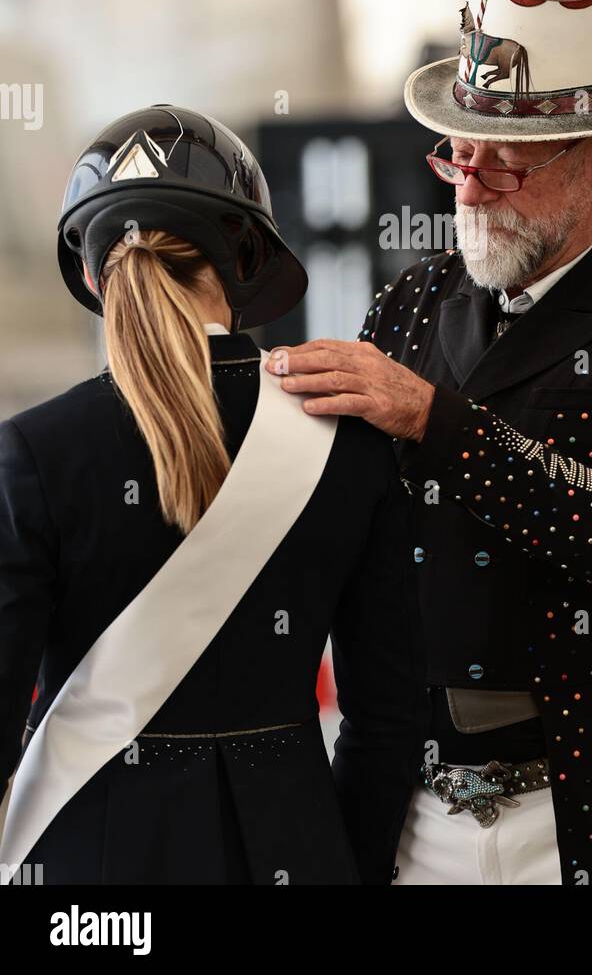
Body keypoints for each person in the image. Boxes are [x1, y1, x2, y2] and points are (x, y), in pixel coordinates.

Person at [267, 0, 592, 886]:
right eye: (456, 154)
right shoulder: (409, 303)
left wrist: (433, 421)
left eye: (509, 164)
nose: (472, 188)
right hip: (411, 805)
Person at [0, 103, 427, 885]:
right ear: (247, 259)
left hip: (91, 883)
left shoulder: (33, 452)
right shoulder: (352, 443)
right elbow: (391, 720)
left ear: (93, 276)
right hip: (291, 856)